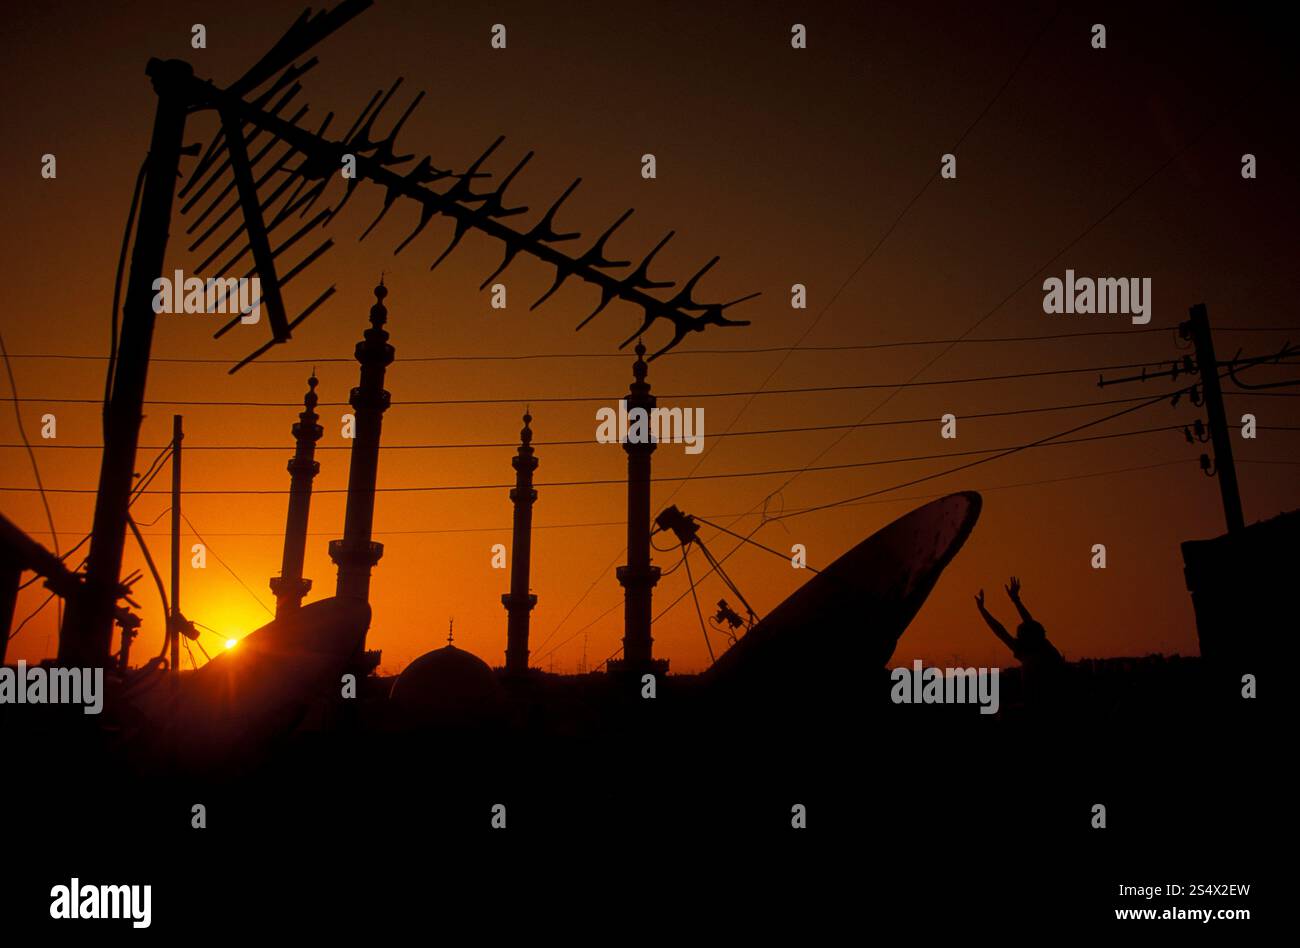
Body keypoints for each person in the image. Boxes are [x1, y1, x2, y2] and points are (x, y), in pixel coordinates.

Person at [975, 576, 1064, 671]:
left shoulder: (1028, 651)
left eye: (1019, 636)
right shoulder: (1045, 648)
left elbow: (1001, 632)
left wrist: (982, 610)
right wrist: (1016, 600)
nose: (1017, 638)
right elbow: (1025, 624)